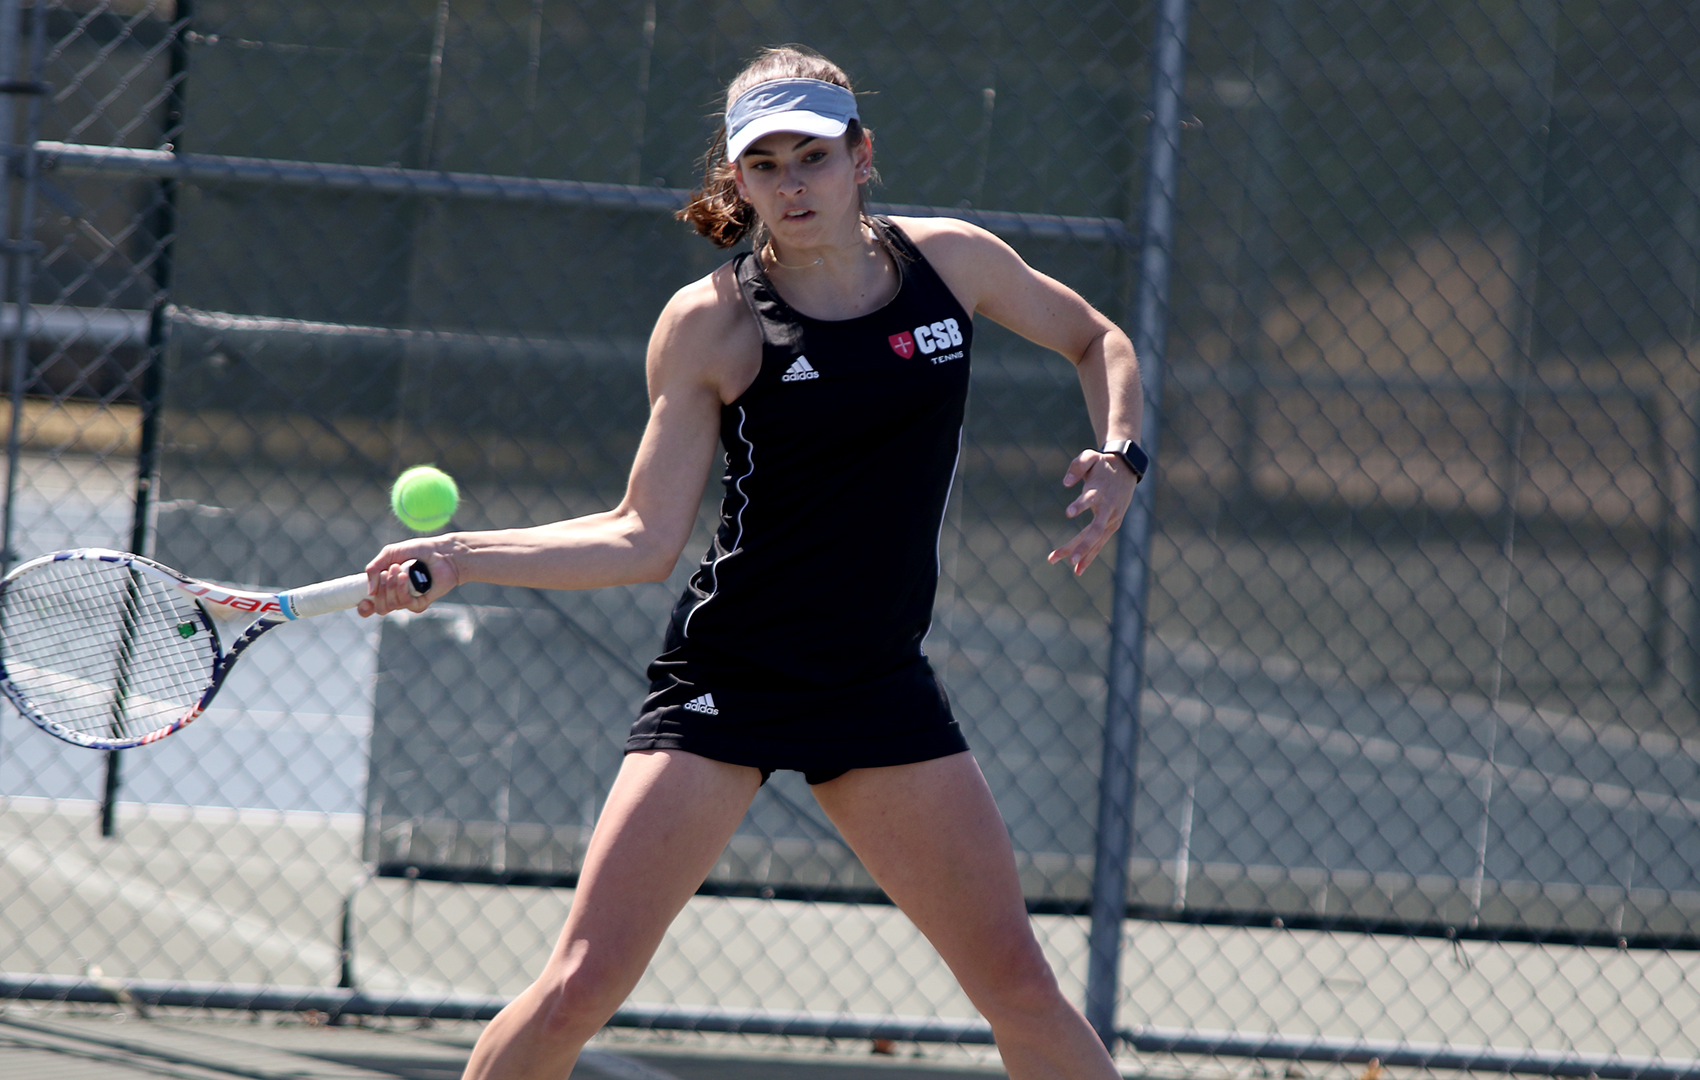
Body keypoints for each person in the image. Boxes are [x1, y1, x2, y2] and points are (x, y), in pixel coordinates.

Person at [360, 44, 1146, 1080]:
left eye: (811, 156)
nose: (790, 183)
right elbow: (643, 537)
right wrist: (463, 558)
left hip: (877, 685)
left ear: (861, 157)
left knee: (1021, 990)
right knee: (578, 987)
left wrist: (1123, 454)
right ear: (736, 179)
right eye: (763, 164)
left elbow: (1097, 339)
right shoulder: (713, 324)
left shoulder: (952, 263)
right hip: (729, 683)